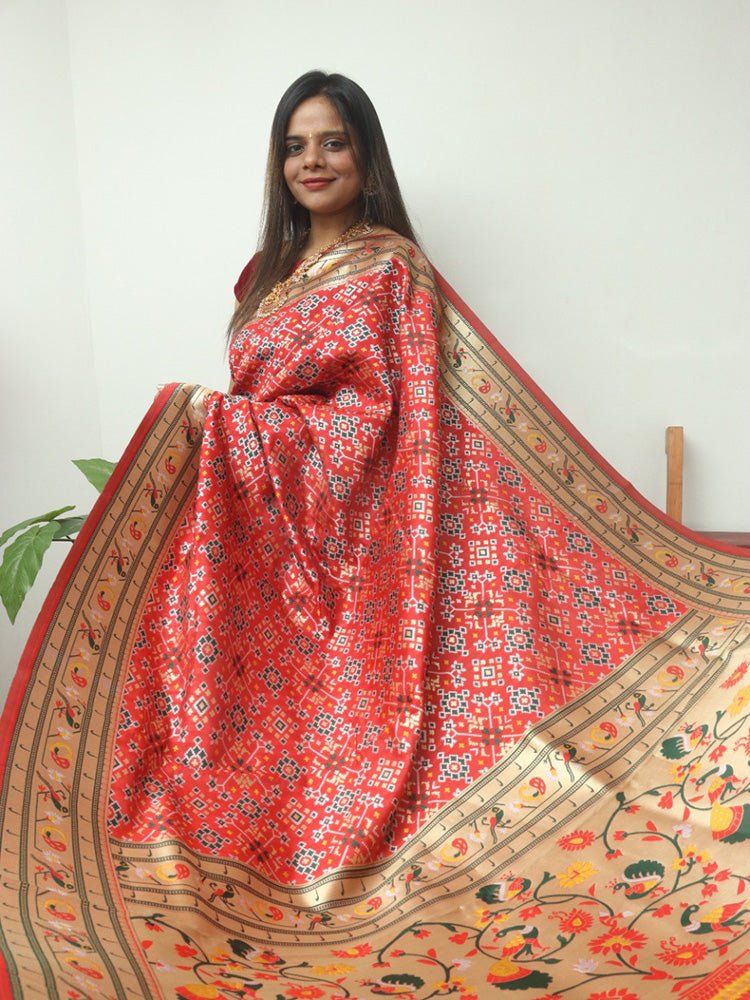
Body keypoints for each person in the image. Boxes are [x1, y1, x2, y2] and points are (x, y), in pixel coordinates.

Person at [2, 70, 750, 999]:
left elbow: (376, 427)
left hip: (352, 547)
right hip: (266, 546)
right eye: (295, 144)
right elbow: (280, 399)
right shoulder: (268, 278)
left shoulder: (389, 267)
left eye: (333, 142)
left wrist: (222, 422)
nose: (312, 161)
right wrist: (240, 429)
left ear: (366, 155)